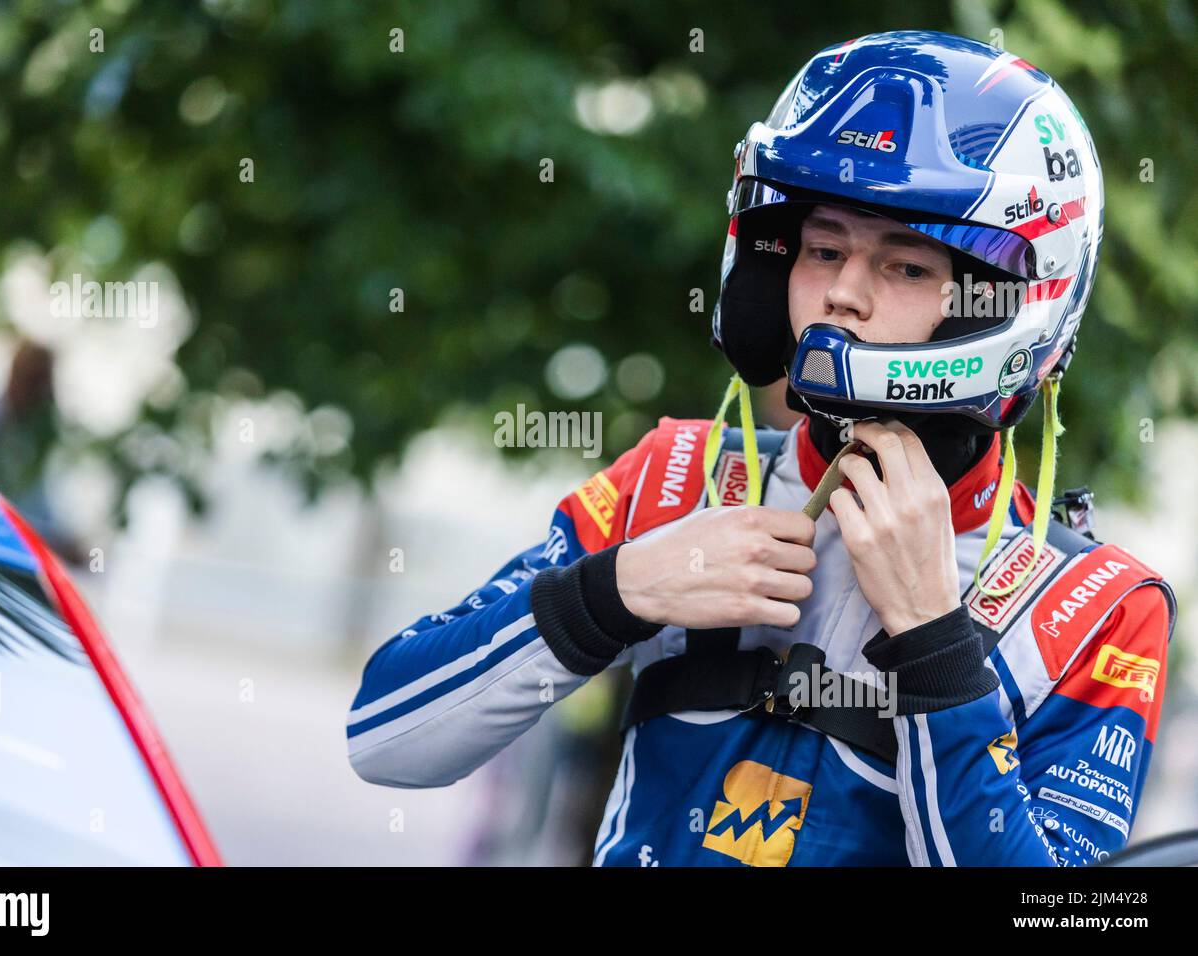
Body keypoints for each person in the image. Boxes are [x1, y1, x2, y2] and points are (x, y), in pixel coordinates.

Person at [347, 31, 1176, 867]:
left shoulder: (1101, 608)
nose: (843, 295)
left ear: (1001, 301)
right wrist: (619, 590)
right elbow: (386, 738)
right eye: (824, 250)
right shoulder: (682, 476)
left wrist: (934, 645)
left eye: (906, 268)